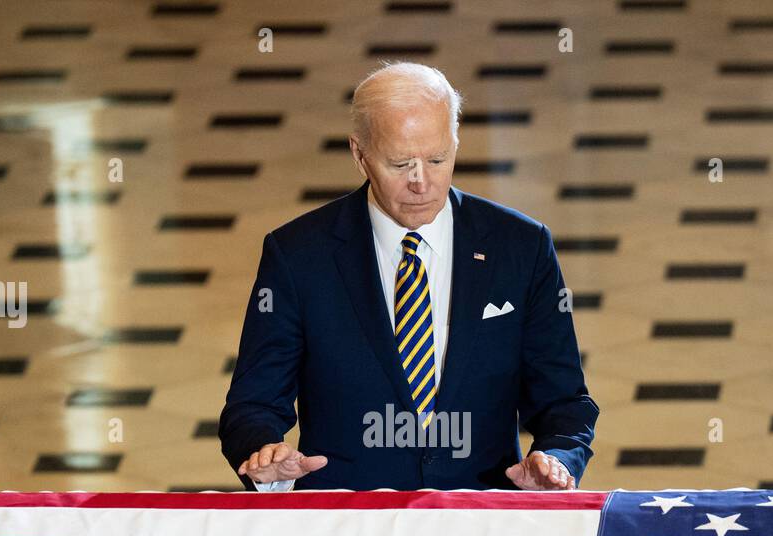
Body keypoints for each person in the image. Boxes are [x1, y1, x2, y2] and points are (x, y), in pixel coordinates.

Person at [219, 62, 598, 491]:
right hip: (349, 525)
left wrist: (555, 459)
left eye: (438, 159)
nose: (422, 182)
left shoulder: (522, 247)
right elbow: (252, 405)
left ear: (456, 143)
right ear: (360, 155)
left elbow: (563, 400)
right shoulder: (297, 255)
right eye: (401, 164)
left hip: (480, 518)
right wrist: (264, 452)